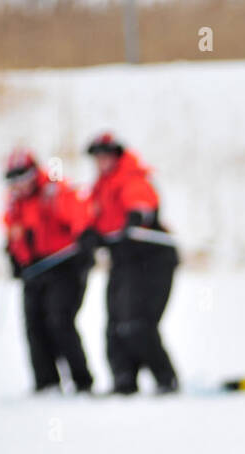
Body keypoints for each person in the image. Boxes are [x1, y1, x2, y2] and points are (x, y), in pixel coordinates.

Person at [82, 131, 180, 396]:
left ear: (117, 155)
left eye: (107, 155)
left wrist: (137, 216)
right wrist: (88, 234)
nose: (102, 161)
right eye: (97, 157)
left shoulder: (131, 176)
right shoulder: (99, 187)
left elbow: (142, 201)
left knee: (136, 323)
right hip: (123, 261)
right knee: (114, 325)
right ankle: (124, 381)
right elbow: (91, 216)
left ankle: (165, 379)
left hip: (152, 258)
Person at [2, 148, 95, 394]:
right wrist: (15, 256)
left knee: (59, 320)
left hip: (64, 266)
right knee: (34, 325)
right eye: (13, 179)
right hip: (35, 270)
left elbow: (79, 214)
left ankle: (81, 381)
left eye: (22, 177)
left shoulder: (55, 191)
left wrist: (85, 237)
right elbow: (14, 234)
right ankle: (46, 382)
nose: (18, 184)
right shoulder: (14, 204)